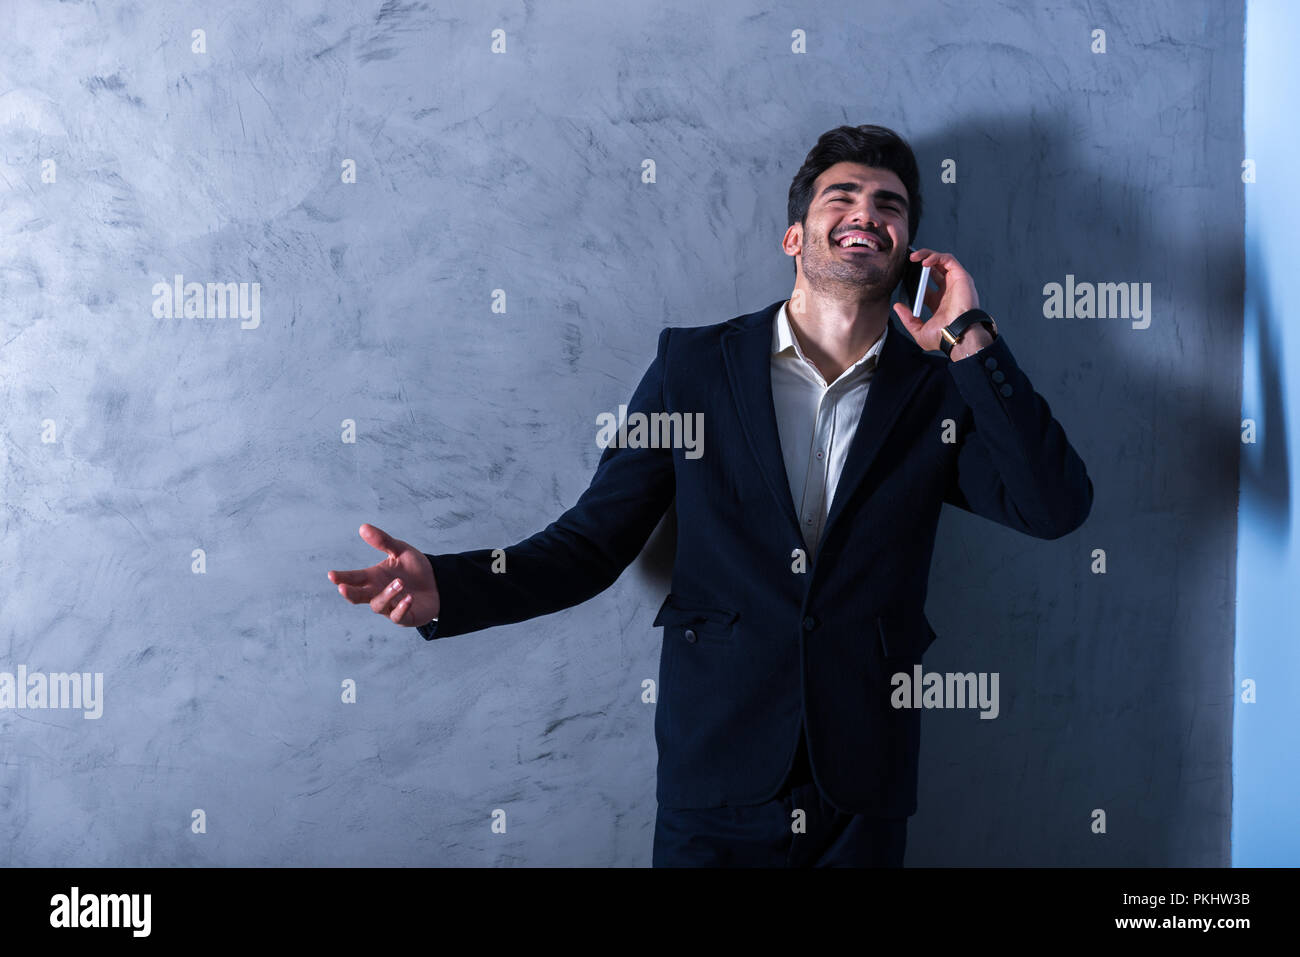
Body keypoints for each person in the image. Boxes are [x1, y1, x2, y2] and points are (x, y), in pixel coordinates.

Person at [327, 124, 1093, 867]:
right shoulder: (694, 369)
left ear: (904, 252)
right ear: (794, 237)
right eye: (843, 197)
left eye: (889, 205)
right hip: (718, 779)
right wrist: (453, 586)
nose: (867, 213)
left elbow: (1053, 507)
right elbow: (593, 542)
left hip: (861, 787)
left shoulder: (935, 394)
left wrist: (968, 335)